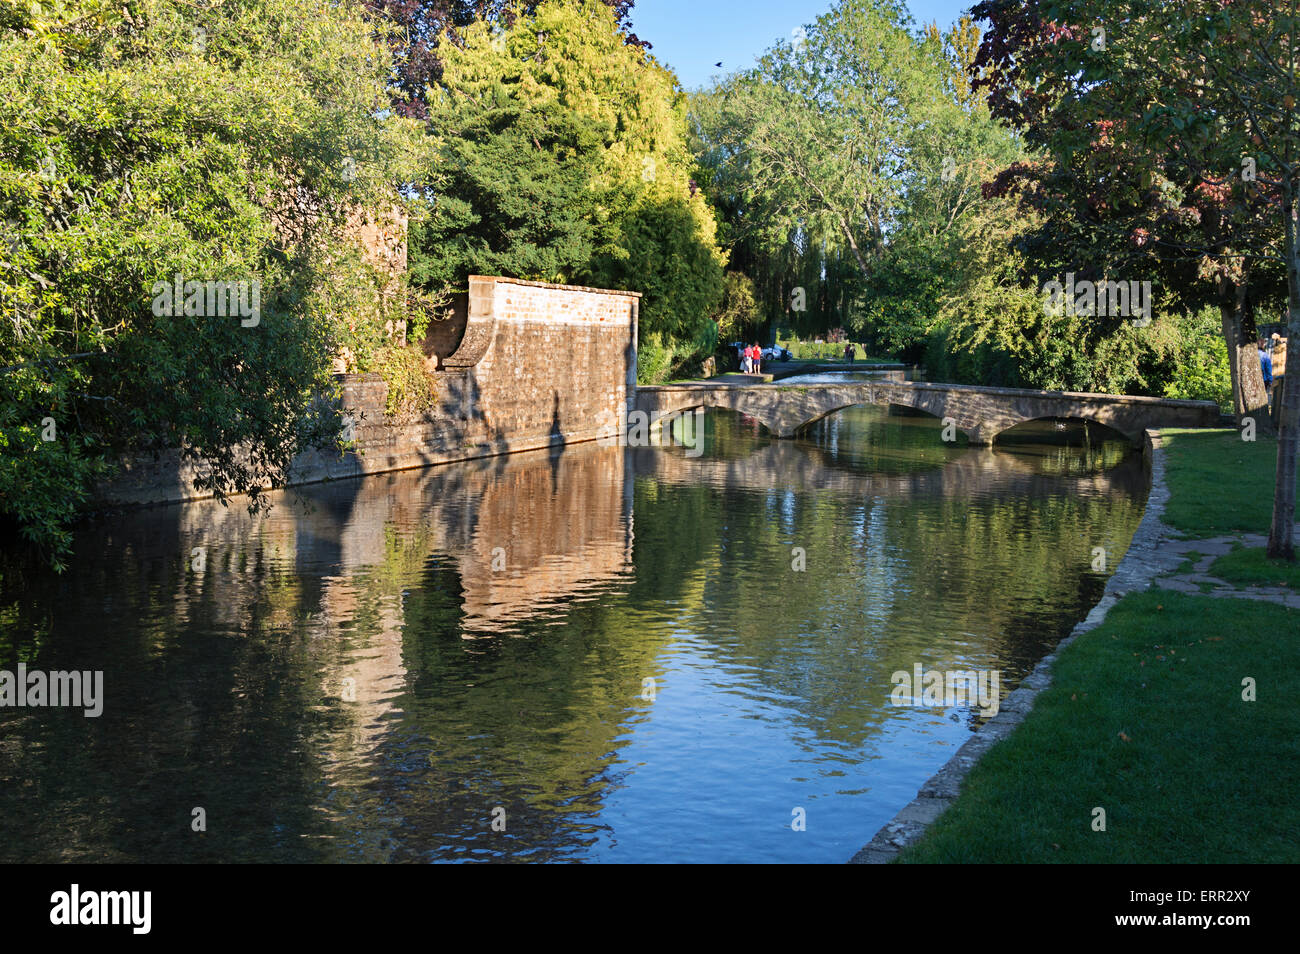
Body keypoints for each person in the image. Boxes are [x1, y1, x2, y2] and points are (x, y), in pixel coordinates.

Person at [1259, 337, 1273, 410]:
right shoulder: (1265, 355)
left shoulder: (1251, 354)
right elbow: (1268, 369)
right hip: (1263, 380)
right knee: (1263, 398)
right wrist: (1270, 381)